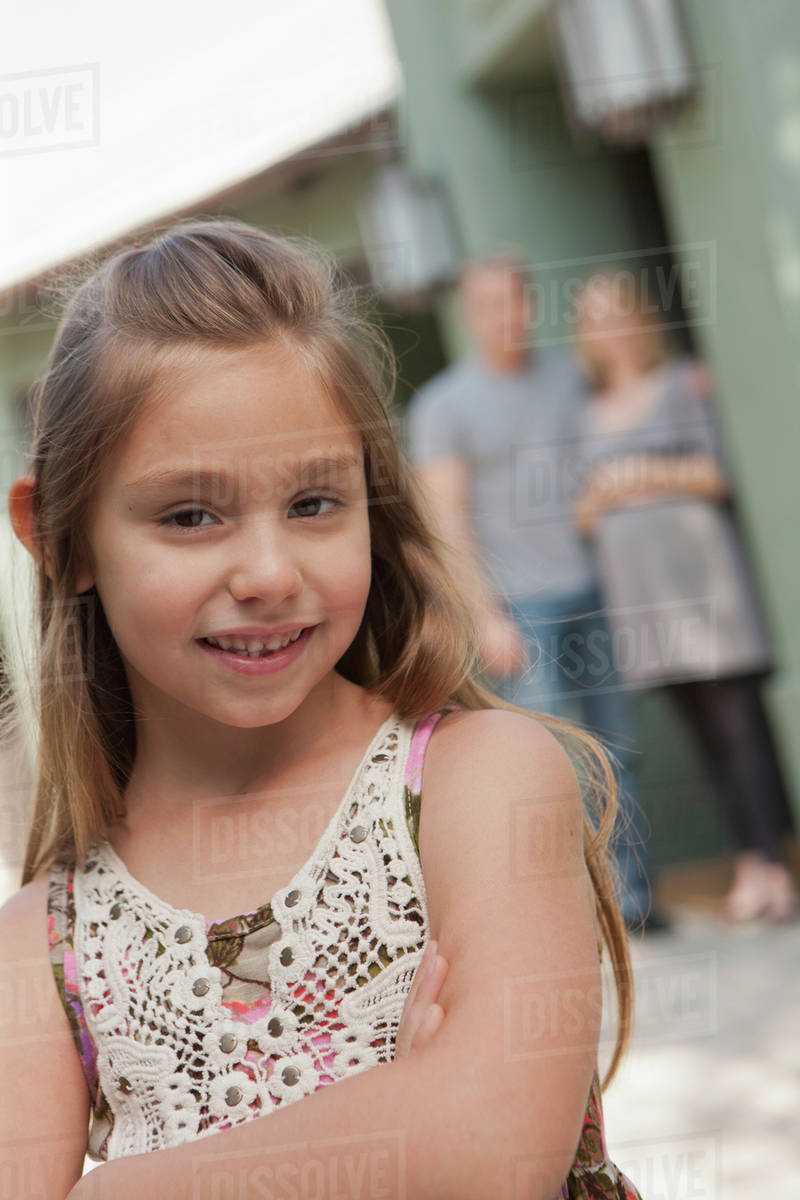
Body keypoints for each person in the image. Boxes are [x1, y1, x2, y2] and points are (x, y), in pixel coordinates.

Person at [0, 219, 644, 1198]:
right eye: (189, 514)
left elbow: (491, 1152)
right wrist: (396, 1121)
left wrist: (111, 1188)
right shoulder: (43, 943)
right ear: (62, 536)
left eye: (312, 503)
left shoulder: (476, 785)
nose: (267, 572)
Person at [405, 249, 668, 933]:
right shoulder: (444, 406)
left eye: (517, 301)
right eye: (491, 304)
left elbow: (628, 406)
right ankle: (580, 916)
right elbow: (446, 519)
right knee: (550, 767)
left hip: (594, 589)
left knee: (616, 755)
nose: (508, 316)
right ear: (471, 313)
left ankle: (635, 903)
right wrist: (485, 615)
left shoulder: (568, 379)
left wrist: (687, 383)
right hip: (521, 611)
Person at [570, 268, 798, 924]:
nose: (608, 326)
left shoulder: (681, 384)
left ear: (639, 319)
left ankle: (771, 865)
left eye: (618, 312)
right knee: (703, 737)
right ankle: (751, 862)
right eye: (594, 316)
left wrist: (637, 477)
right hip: (644, 603)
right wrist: (603, 497)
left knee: (739, 728)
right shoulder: (584, 413)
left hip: (706, 589)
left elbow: (714, 471)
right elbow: (584, 512)